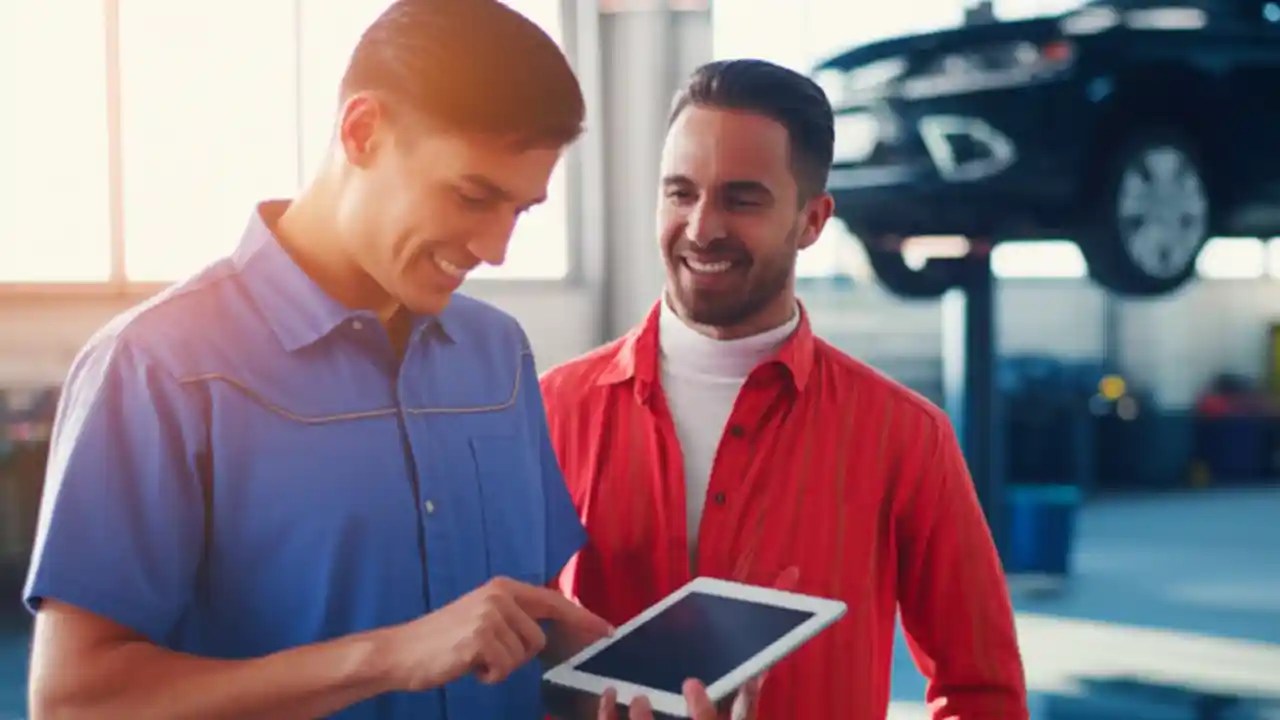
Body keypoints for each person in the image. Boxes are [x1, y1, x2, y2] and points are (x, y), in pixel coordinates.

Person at [22, 2, 623, 718]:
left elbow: (514, 630)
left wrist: (604, 687)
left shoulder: (499, 356)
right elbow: (74, 704)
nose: (495, 249)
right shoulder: (158, 369)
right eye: (471, 196)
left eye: (520, 211)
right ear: (362, 131)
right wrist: (387, 658)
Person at [540, 59, 1030, 719]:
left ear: (812, 220)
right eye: (680, 193)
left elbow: (982, 694)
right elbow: (502, 661)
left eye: (742, 199)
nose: (702, 228)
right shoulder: (551, 412)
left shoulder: (905, 438)